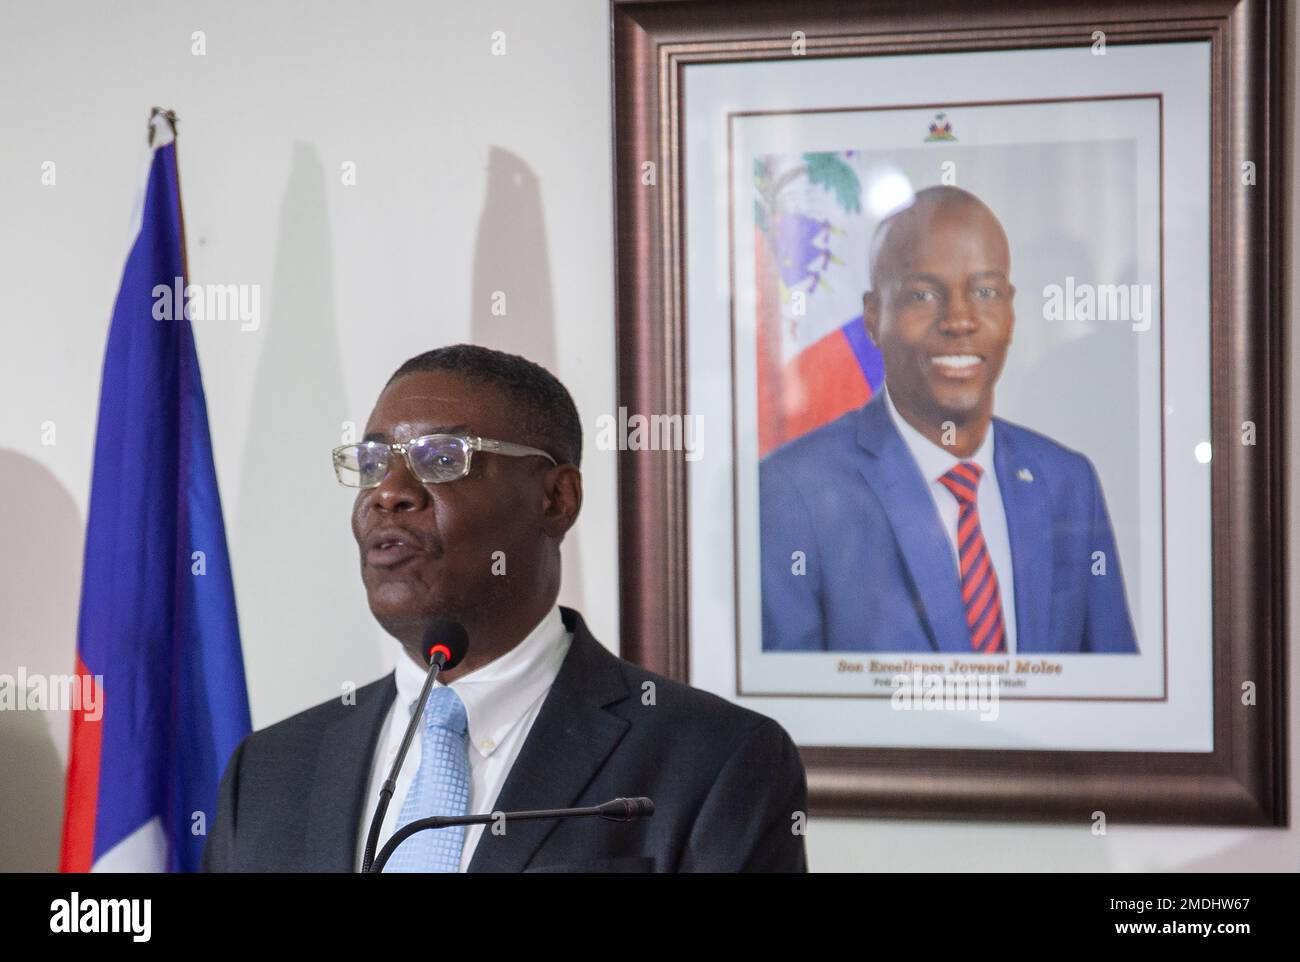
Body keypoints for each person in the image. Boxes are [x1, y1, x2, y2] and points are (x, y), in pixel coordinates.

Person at [202, 344, 806, 872]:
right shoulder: (270, 771)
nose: (389, 492)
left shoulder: (714, 761)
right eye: (373, 463)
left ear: (556, 498)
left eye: (442, 458)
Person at [760, 186, 1138, 655]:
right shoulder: (793, 491)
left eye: (985, 292)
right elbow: (788, 715)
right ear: (875, 317)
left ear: (1011, 312)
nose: (960, 319)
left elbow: (1112, 695)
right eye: (923, 294)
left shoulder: (1068, 483)